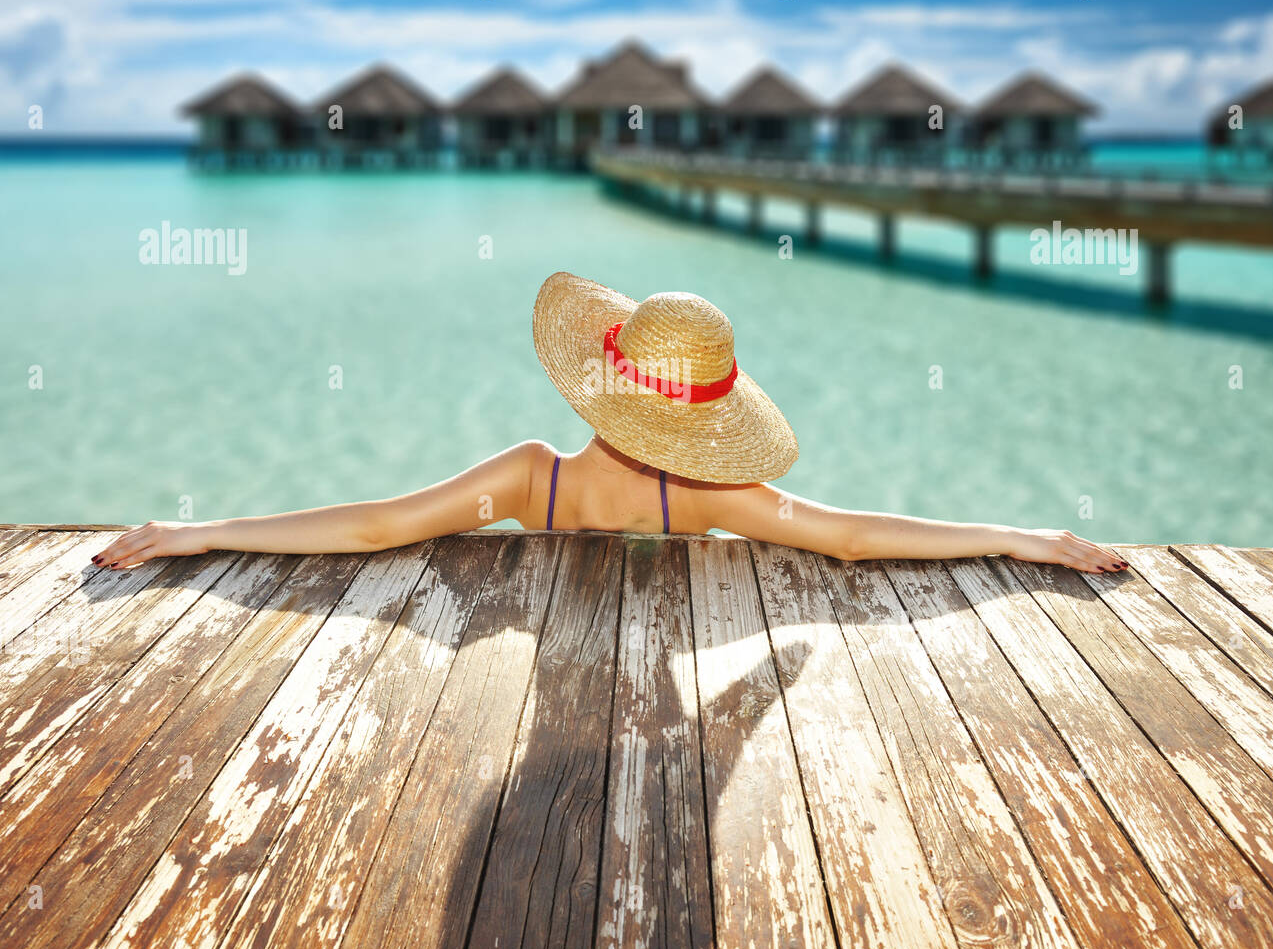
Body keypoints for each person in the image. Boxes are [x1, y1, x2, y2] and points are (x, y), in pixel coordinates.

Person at [90, 271, 1128, 575]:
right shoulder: (715, 499)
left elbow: (372, 527)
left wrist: (203, 529)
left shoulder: (530, 480)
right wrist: (1011, 535)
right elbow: (853, 536)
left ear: (597, 382)